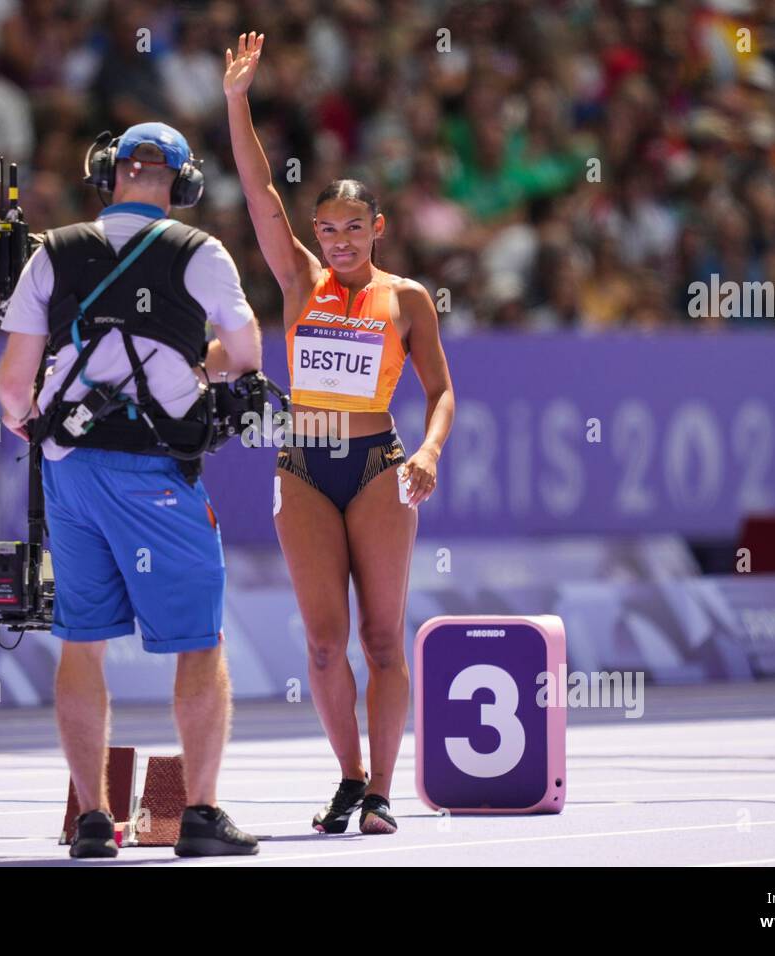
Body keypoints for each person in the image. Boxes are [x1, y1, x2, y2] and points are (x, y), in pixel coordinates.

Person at [0, 122, 263, 858]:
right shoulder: (200, 253)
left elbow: (11, 387)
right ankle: (200, 816)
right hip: (153, 472)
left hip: (69, 470)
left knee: (81, 639)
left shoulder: (51, 252)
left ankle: (90, 822)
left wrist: (29, 424)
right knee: (199, 642)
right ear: (182, 185)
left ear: (108, 173)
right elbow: (245, 356)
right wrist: (180, 358)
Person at [224, 33, 455, 834]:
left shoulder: (408, 298)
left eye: (354, 228)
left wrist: (427, 450)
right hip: (303, 467)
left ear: (378, 227)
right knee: (325, 645)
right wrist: (237, 101)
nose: (341, 242)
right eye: (329, 229)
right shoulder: (298, 281)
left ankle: (386, 789)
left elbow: (443, 391)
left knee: (383, 635)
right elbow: (260, 197)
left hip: (376, 466)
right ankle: (350, 778)